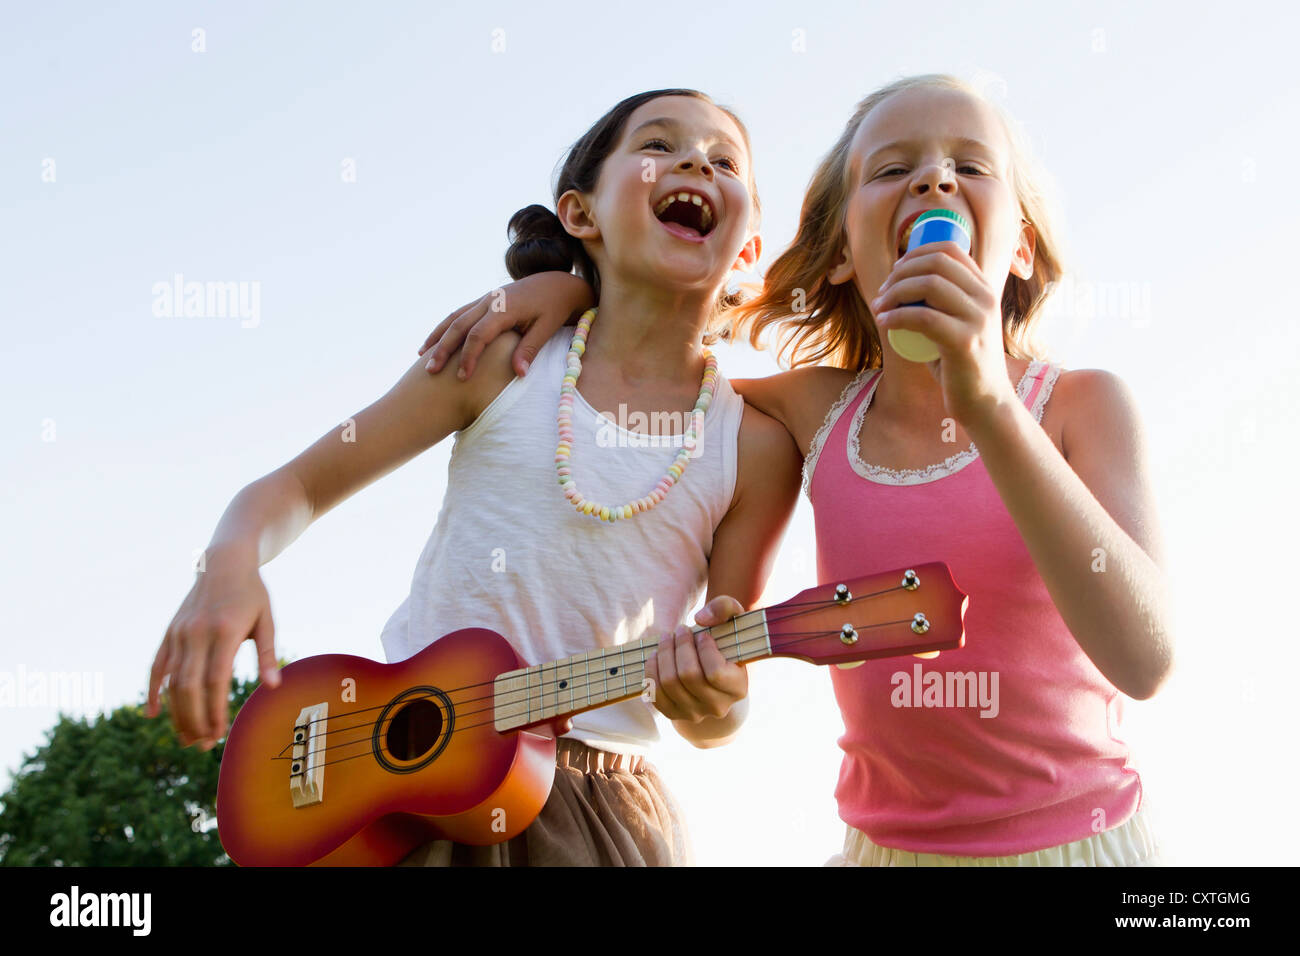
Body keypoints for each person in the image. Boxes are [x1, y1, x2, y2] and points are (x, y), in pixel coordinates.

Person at [419, 74, 1174, 866]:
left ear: (1018, 246)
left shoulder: (1080, 407)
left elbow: (1145, 659)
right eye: (891, 169)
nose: (935, 179)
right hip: (883, 849)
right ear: (844, 253)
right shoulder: (818, 413)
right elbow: (651, 369)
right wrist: (574, 287)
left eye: (971, 165)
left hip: (1078, 842)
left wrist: (985, 396)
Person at [147, 88, 802, 866]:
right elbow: (294, 488)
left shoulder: (756, 448)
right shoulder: (504, 359)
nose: (696, 161)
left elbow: (717, 688)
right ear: (581, 216)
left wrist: (715, 702)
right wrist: (229, 562)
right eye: (658, 145)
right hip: (401, 789)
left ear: (750, 252)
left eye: (725, 160)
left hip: (596, 811)